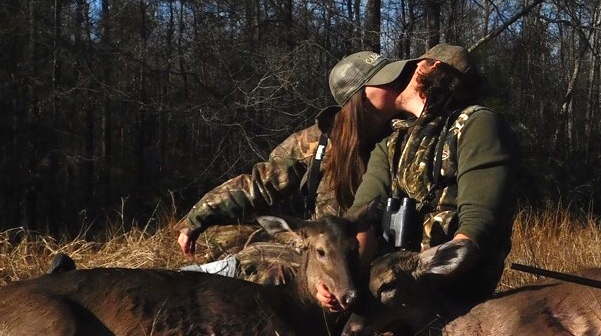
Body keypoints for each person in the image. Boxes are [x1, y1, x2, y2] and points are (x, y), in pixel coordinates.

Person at [176, 50, 397, 258]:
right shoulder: (317, 142)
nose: (397, 82)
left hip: (384, 253)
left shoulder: (408, 133)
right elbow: (260, 184)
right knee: (233, 242)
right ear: (361, 98)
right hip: (326, 254)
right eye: (384, 79)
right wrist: (197, 218)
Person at [348, 43, 519, 306]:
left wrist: (417, 286)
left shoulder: (477, 123)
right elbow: (360, 219)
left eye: (416, 63)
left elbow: (477, 227)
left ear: (433, 68)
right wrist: (345, 278)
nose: (403, 72)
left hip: (448, 295)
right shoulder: (391, 143)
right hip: (388, 290)